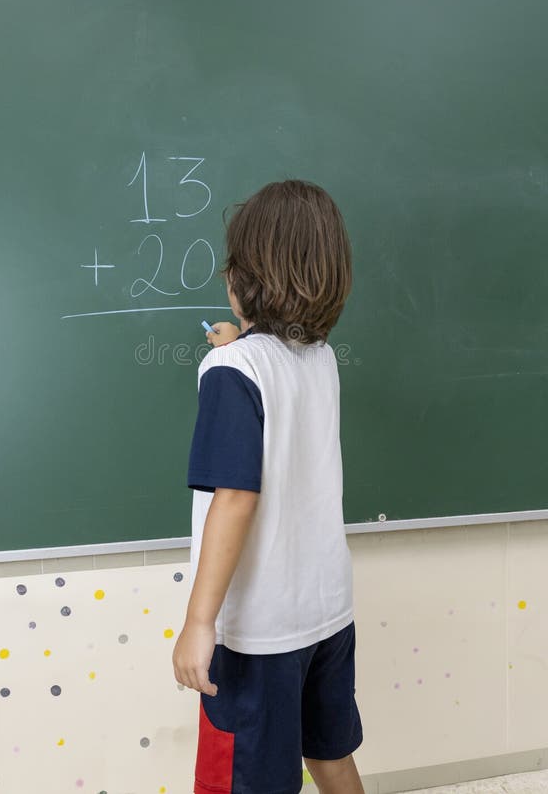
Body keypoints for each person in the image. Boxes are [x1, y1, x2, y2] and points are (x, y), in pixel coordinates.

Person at [173, 179, 365, 794]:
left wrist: (200, 622)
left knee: (247, 781)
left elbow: (235, 496)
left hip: (258, 631)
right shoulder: (320, 357)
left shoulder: (233, 372)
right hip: (326, 610)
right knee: (327, 755)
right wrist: (239, 345)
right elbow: (278, 407)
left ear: (241, 276)